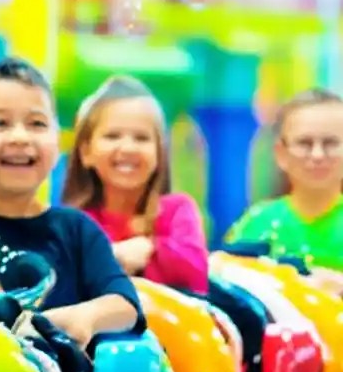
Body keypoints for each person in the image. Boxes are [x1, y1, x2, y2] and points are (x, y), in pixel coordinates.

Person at [0, 58, 145, 350]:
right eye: (0, 123)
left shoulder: (77, 231)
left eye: (37, 124)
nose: (20, 137)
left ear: (56, 141)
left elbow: (125, 305)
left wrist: (79, 317)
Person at [61, 75, 209, 294]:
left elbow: (196, 270)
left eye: (141, 138)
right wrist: (115, 256)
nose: (128, 148)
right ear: (86, 152)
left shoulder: (177, 209)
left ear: (159, 154)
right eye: (112, 136)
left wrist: (149, 249)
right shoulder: (75, 222)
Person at [226, 88, 343, 278]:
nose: (317, 155)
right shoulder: (256, 224)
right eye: (305, 143)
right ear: (281, 154)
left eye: (330, 143)